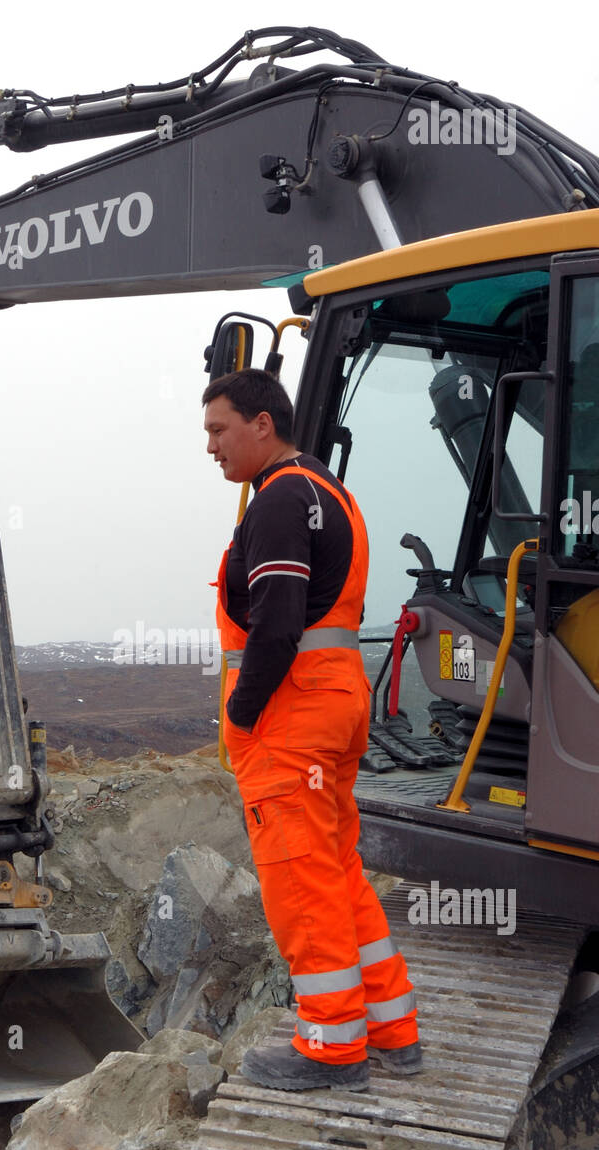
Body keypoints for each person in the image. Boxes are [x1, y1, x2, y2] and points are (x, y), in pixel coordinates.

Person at [203, 368, 421, 1092]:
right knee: (337, 867)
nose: (211, 447)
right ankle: (391, 1027)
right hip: (334, 704)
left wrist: (241, 710)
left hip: (291, 717)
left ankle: (331, 1046)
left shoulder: (279, 497)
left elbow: (277, 622)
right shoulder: (333, 493)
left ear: (263, 424)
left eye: (218, 429)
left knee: (301, 880)